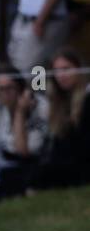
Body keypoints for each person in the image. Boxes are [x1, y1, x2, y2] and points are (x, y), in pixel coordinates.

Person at [28, 49, 90, 189]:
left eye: (66, 69)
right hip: (66, 167)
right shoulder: (58, 103)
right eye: (56, 71)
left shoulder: (87, 98)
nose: (61, 75)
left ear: (79, 69)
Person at [0, 72, 50, 195]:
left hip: (31, 163)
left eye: (9, 88)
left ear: (21, 89)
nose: (5, 94)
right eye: (0, 89)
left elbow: (23, 152)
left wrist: (20, 112)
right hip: (1, 167)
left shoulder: (40, 107)